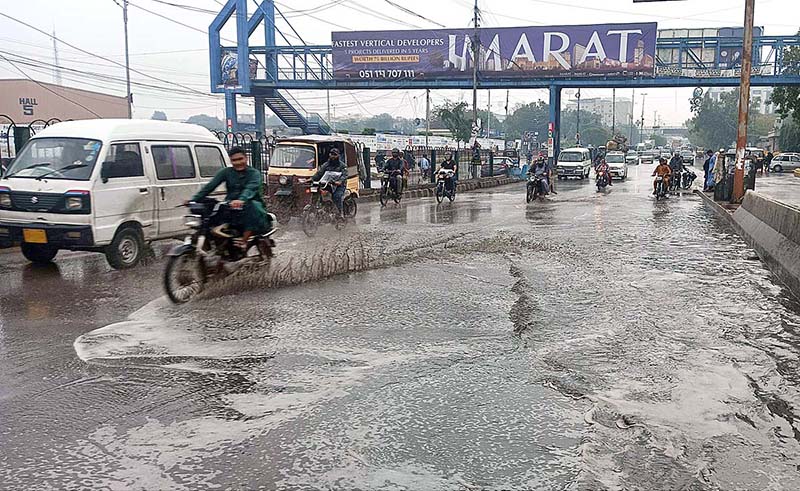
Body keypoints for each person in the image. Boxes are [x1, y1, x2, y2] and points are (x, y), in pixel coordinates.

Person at [192, 147, 270, 248]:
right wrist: (194, 199)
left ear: (246, 158)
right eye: (234, 160)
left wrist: (241, 200)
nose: (238, 162)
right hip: (230, 206)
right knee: (210, 209)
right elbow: (210, 186)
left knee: (252, 206)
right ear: (230, 160)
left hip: (251, 205)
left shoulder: (254, 173)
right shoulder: (226, 172)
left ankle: (244, 241)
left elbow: (250, 188)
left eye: (240, 159)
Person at [312, 147, 348, 218]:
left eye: (334, 154)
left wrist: (339, 182)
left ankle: (340, 214)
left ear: (338, 155)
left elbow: (344, 175)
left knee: (336, 197)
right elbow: (319, 173)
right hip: (327, 184)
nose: (333, 156)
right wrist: (311, 179)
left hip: (339, 186)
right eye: (331, 154)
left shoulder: (342, 166)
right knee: (318, 194)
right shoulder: (326, 165)